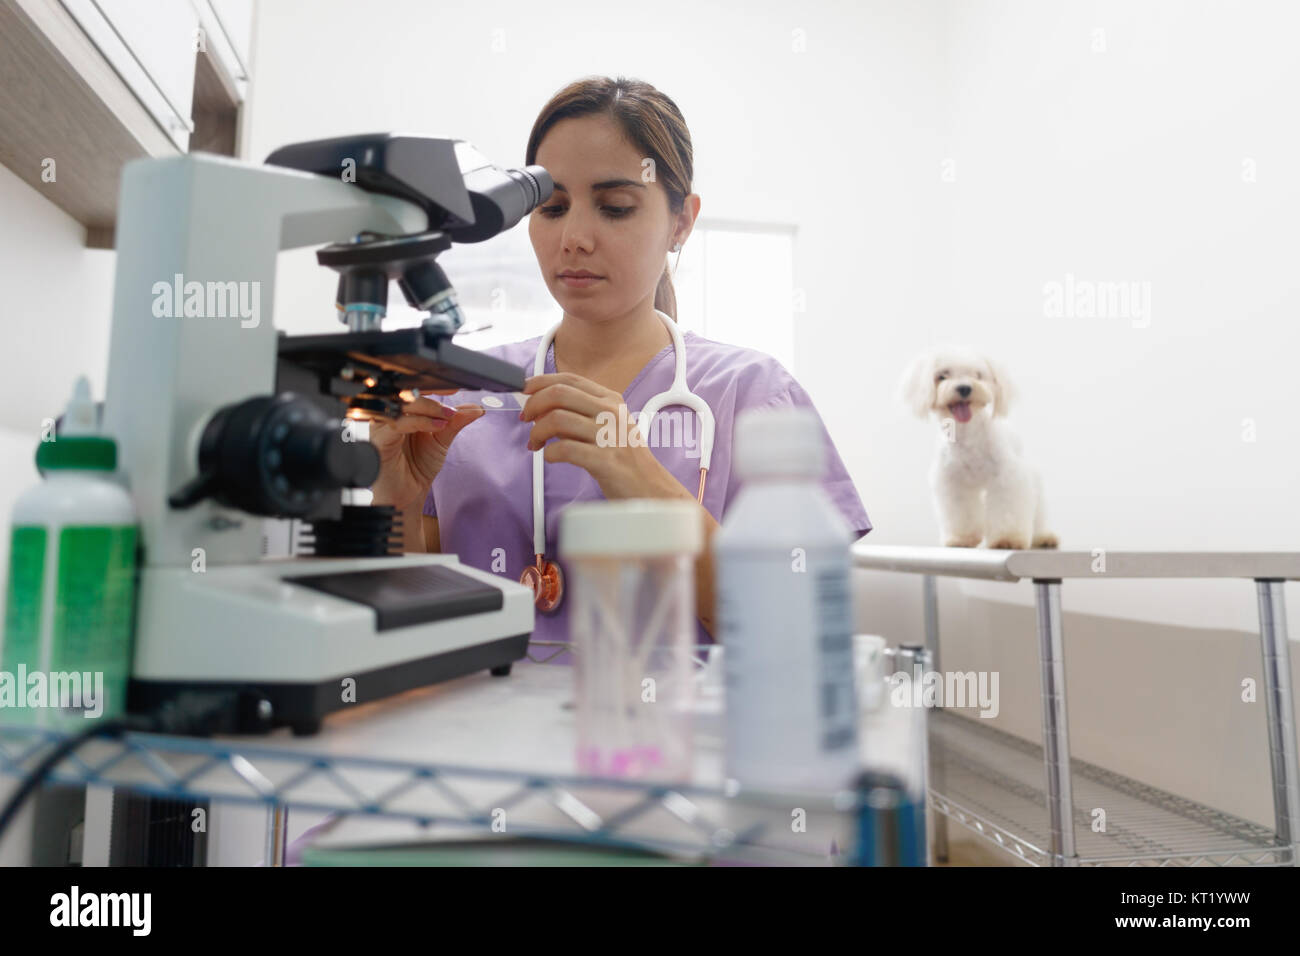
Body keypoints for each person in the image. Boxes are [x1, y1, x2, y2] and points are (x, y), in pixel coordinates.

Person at [369, 75, 871, 647]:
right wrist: (396, 501)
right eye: (553, 208)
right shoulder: (463, 395)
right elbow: (408, 628)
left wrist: (639, 474)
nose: (576, 237)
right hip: (477, 730)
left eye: (614, 207)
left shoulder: (755, 395)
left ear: (682, 221)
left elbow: (794, 636)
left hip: (673, 734)